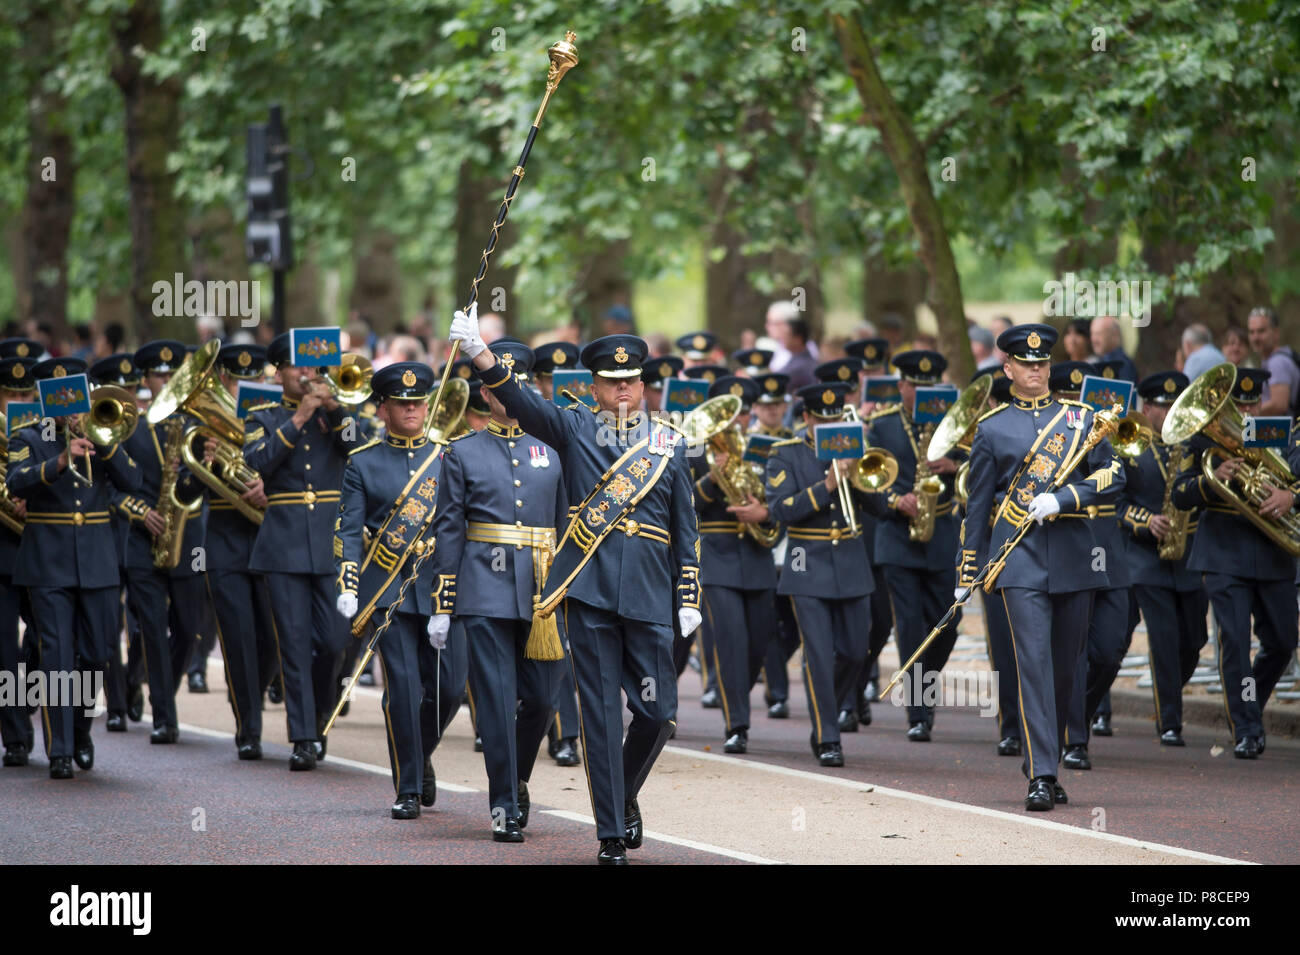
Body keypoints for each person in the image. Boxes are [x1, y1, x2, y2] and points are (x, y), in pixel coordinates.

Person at [451, 307, 702, 866]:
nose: (622, 390)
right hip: (588, 593)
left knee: (658, 713)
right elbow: (521, 401)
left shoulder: (670, 444)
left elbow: (687, 529)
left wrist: (689, 593)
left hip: (649, 594)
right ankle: (609, 831)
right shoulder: (573, 428)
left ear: (643, 386)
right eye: (611, 382)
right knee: (601, 716)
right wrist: (479, 352)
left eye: (630, 381)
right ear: (593, 387)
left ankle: (623, 793)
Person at [958, 324, 1124, 811]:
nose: (1036, 370)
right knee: (1032, 663)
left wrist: (1066, 497)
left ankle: (1043, 760)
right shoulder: (992, 428)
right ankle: (1043, 775)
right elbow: (977, 506)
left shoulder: (1081, 419)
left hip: (1073, 557)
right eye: (1026, 364)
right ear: (1008, 367)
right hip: (1019, 560)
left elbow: (1114, 473)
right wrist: (968, 570)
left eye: (1042, 363)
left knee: (1065, 669)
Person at [428, 341, 568, 840]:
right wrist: (443, 602)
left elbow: (565, 522)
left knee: (543, 700)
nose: (508, 395)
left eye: (517, 385)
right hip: (484, 590)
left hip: (542, 590)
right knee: (496, 700)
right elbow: (449, 529)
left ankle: (518, 779)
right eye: (497, 387)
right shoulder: (461, 452)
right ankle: (504, 804)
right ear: (486, 394)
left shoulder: (554, 449)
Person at [8, 357, 142, 777]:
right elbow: (16, 480)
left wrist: (105, 442)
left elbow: (133, 481)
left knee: (98, 652)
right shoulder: (28, 436)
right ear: (45, 400)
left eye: (75, 395)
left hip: (97, 559)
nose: (69, 406)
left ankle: (81, 730)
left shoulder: (102, 434)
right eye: (60, 397)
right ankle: (60, 749)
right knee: (57, 655)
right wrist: (62, 461)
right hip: (48, 560)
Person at [245, 332, 365, 770]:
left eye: (313, 366)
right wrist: (299, 417)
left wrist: (332, 408)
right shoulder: (262, 416)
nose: (307, 373)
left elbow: (360, 448)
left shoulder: (338, 415)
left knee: (335, 641)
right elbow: (257, 460)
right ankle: (302, 737)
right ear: (279, 372)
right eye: (297, 365)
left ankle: (319, 716)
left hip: (330, 541)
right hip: (283, 544)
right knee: (293, 644)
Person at [335, 362, 450, 817]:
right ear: (383, 409)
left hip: (442, 588)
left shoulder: (447, 457)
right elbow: (348, 528)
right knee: (402, 688)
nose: (412, 410)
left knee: (448, 689)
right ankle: (408, 786)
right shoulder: (363, 462)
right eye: (402, 404)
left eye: (418, 402)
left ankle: (419, 755)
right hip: (389, 590)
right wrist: (349, 580)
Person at [1170, 367, 1297, 758]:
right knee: (1236, 643)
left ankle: (1249, 703)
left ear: (1260, 404)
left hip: (1273, 553)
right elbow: (1179, 493)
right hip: (1224, 552)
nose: (1245, 413)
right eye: (1237, 406)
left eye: (1251, 405)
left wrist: (1290, 496)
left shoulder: (1282, 433)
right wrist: (1212, 481)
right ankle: (1246, 727)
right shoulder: (1202, 440)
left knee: (1283, 642)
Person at [765, 382, 874, 767]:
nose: (830, 425)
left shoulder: (856, 448)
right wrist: (828, 484)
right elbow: (781, 509)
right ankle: (828, 735)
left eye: (836, 417)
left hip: (851, 560)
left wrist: (862, 474)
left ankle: (830, 706)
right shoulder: (786, 454)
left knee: (855, 651)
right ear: (807, 418)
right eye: (822, 419)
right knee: (819, 655)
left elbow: (878, 503)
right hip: (805, 561)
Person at [867, 350, 963, 742]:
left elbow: (981, 464)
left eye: (930, 387)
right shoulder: (883, 424)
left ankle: (923, 680)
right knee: (908, 626)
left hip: (941, 535)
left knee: (948, 625)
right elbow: (867, 478)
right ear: (901, 386)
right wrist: (894, 500)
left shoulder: (954, 424)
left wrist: (956, 465)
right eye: (915, 387)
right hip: (898, 537)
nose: (923, 394)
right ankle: (918, 712)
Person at [113, 341, 205, 745]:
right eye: (158, 375)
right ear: (145, 380)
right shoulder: (130, 427)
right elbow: (111, 489)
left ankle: (138, 677)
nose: (165, 381)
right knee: (151, 628)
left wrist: (204, 463)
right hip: (142, 540)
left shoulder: (198, 424)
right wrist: (139, 512)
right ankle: (164, 716)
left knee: (189, 627)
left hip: (189, 540)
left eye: (172, 375)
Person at [1049, 362, 1132, 772]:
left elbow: (1120, 479)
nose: (1074, 406)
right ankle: (1074, 740)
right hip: (1071, 551)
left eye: (1080, 399)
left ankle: (1072, 714)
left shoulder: (1097, 434)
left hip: (1109, 552)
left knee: (1110, 651)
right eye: (1067, 397)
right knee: (1075, 651)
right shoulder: (1049, 438)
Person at [690, 375, 779, 754]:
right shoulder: (693, 449)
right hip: (717, 556)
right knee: (730, 642)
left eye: (743, 413)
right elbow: (684, 503)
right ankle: (736, 725)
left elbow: (779, 498)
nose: (737, 421)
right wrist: (712, 479)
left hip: (757, 557)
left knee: (758, 643)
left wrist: (765, 513)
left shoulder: (764, 449)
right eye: (730, 413)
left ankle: (740, 694)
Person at [1118, 372, 1207, 746]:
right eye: (1161, 406)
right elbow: (1118, 503)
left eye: (1174, 405)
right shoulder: (1130, 444)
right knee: (1164, 639)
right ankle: (1170, 721)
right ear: (1146, 407)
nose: (1168, 412)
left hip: (1188, 556)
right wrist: (1146, 521)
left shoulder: (1194, 445)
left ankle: (1169, 693)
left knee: (1195, 640)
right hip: (1146, 560)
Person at [199, 343, 275, 759]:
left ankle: (252, 694)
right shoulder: (205, 425)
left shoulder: (277, 419)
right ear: (223, 380)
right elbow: (188, 490)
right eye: (236, 381)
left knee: (273, 637)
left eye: (255, 379)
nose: (244, 388)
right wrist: (207, 462)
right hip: (225, 540)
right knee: (238, 637)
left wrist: (271, 488)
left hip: (269, 539)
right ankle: (249, 725)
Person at [0, 354, 38, 766]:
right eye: (11, 394)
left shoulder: (44, 433)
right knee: (3, 649)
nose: (19, 403)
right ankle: (14, 735)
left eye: (26, 395)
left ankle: (27, 700)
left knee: (48, 641)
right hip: (2, 553)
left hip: (42, 551)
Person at [1246, 306, 1299, 415]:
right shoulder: (1271, 360)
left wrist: (1246, 414)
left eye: (1261, 331)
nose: (1255, 338)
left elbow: (1278, 405)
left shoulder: (1278, 362)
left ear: (1276, 332)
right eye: (1252, 332)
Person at [1089, 315, 1139, 383]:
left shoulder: (1120, 364)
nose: (1094, 339)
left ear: (1114, 335)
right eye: (1092, 334)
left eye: (1099, 334)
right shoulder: (1103, 360)